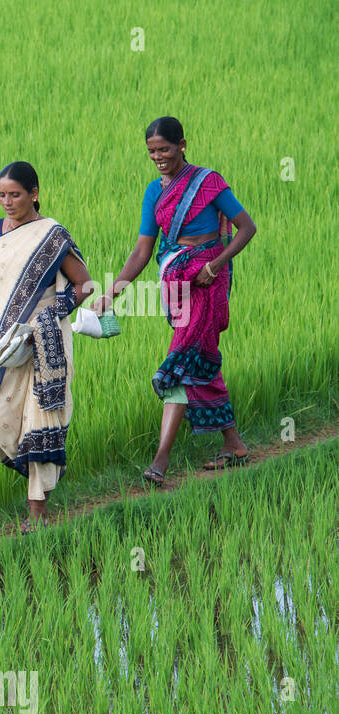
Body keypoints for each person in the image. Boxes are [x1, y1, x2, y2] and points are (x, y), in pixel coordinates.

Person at [90, 116, 257, 484]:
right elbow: (142, 251)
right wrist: (111, 292)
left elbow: (247, 227)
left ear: (182, 144)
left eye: (164, 149)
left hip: (208, 283)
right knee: (200, 361)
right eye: (151, 151)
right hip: (178, 283)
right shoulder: (154, 192)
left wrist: (215, 265)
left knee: (178, 363)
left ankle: (160, 461)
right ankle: (234, 444)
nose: (158, 156)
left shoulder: (208, 182)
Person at [0, 162, 93, 532]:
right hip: (5, 342)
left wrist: (48, 316)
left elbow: (84, 285)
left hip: (44, 340)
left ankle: (37, 514)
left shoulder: (51, 234)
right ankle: (43, 479)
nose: (7, 202)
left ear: (34, 193)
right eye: (1, 195)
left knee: (38, 420)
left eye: (15, 194)